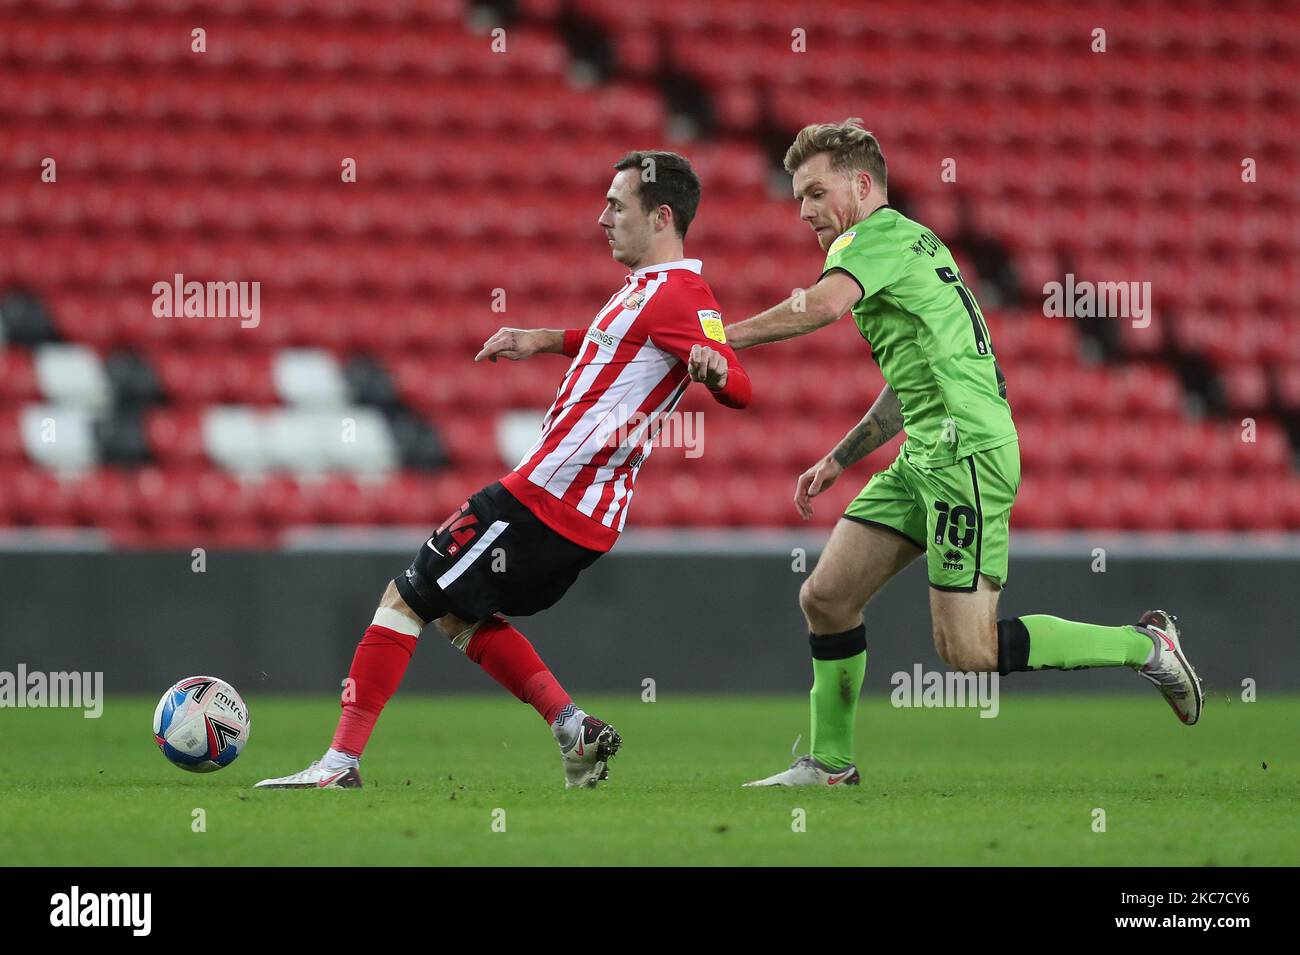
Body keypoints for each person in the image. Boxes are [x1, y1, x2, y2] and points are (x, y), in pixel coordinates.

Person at [721, 119, 1201, 788]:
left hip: (966, 453)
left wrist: (719, 338)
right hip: (926, 452)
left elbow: (821, 308)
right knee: (827, 596)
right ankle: (829, 764)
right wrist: (842, 455)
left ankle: (1144, 646)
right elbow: (912, 374)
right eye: (798, 196)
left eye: (815, 192)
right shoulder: (910, 243)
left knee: (969, 651)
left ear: (862, 186)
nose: (803, 210)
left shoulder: (871, 239)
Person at [256, 150, 750, 790]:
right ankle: (573, 731)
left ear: (661, 217)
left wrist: (717, 375)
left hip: (544, 498)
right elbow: (614, 343)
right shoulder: (648, 291)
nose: (601, 218)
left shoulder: (683, 292)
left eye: (615, 205)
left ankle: (338, 764)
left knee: (405, 599)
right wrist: (541, 338)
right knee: (459, 613)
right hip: (580, 514)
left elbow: (737, 380)